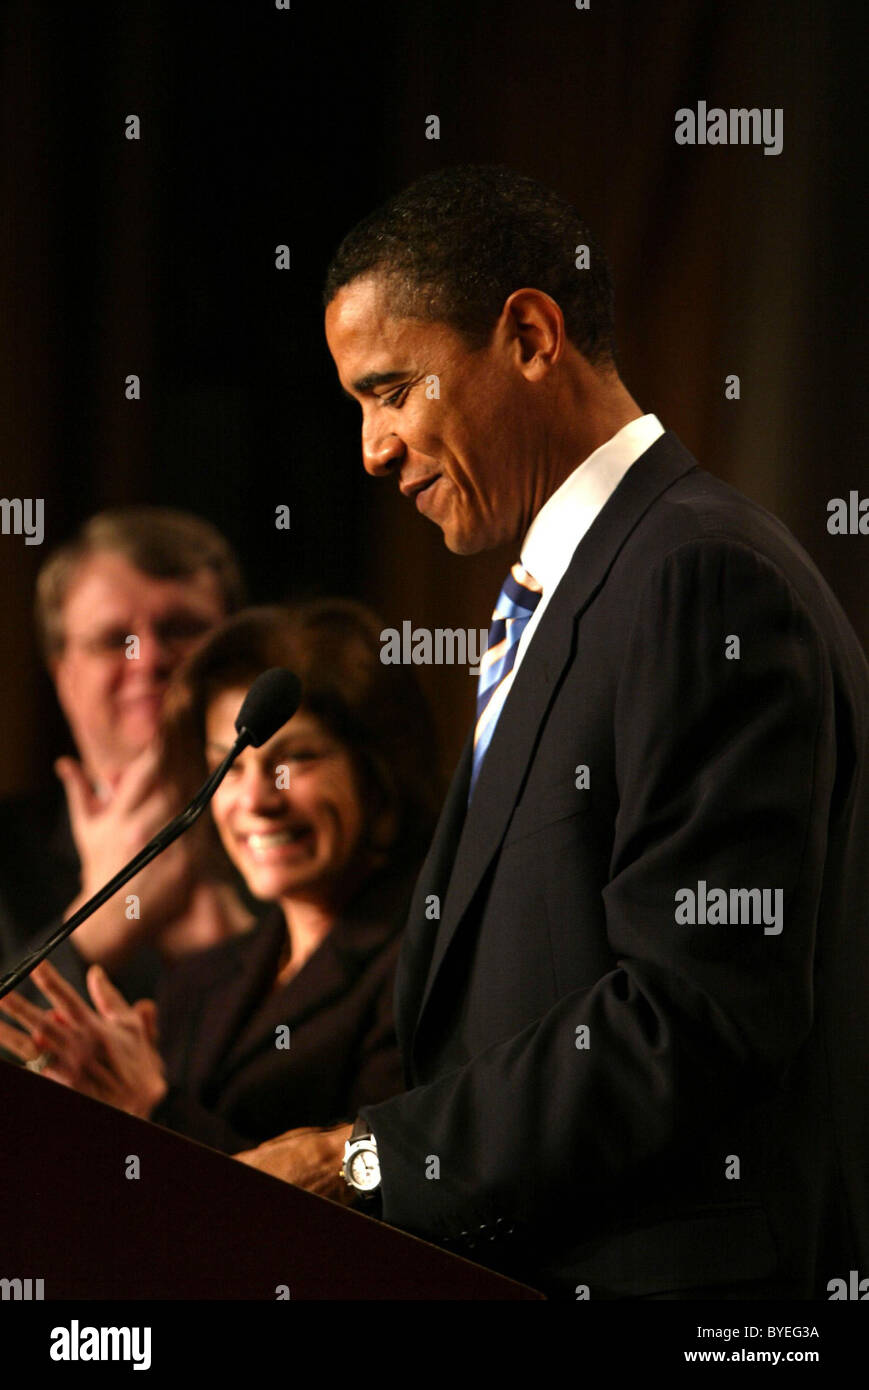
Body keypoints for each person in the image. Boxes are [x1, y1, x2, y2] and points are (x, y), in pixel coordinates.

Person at [231, 165, 869, 1301]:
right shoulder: (561, 593)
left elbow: (699, 1007)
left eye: (389, 391)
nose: (371, 451)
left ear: (529, 334)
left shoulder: (699, 578)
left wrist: (368, 1160)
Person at [0, 602, 441, 1154]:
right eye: (228, 768)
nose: (255, 800)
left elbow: (376, 1203)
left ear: (378, 775)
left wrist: (153, 1108)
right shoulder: (201, 982)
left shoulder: (425, 961)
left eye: (296, 759)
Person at [0, 507, 249, 1006]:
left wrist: (246, 953)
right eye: (115, 640)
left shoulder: (308, 837)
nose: (149, 658)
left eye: (181, 628)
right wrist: (102, 923)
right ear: (62, 674)